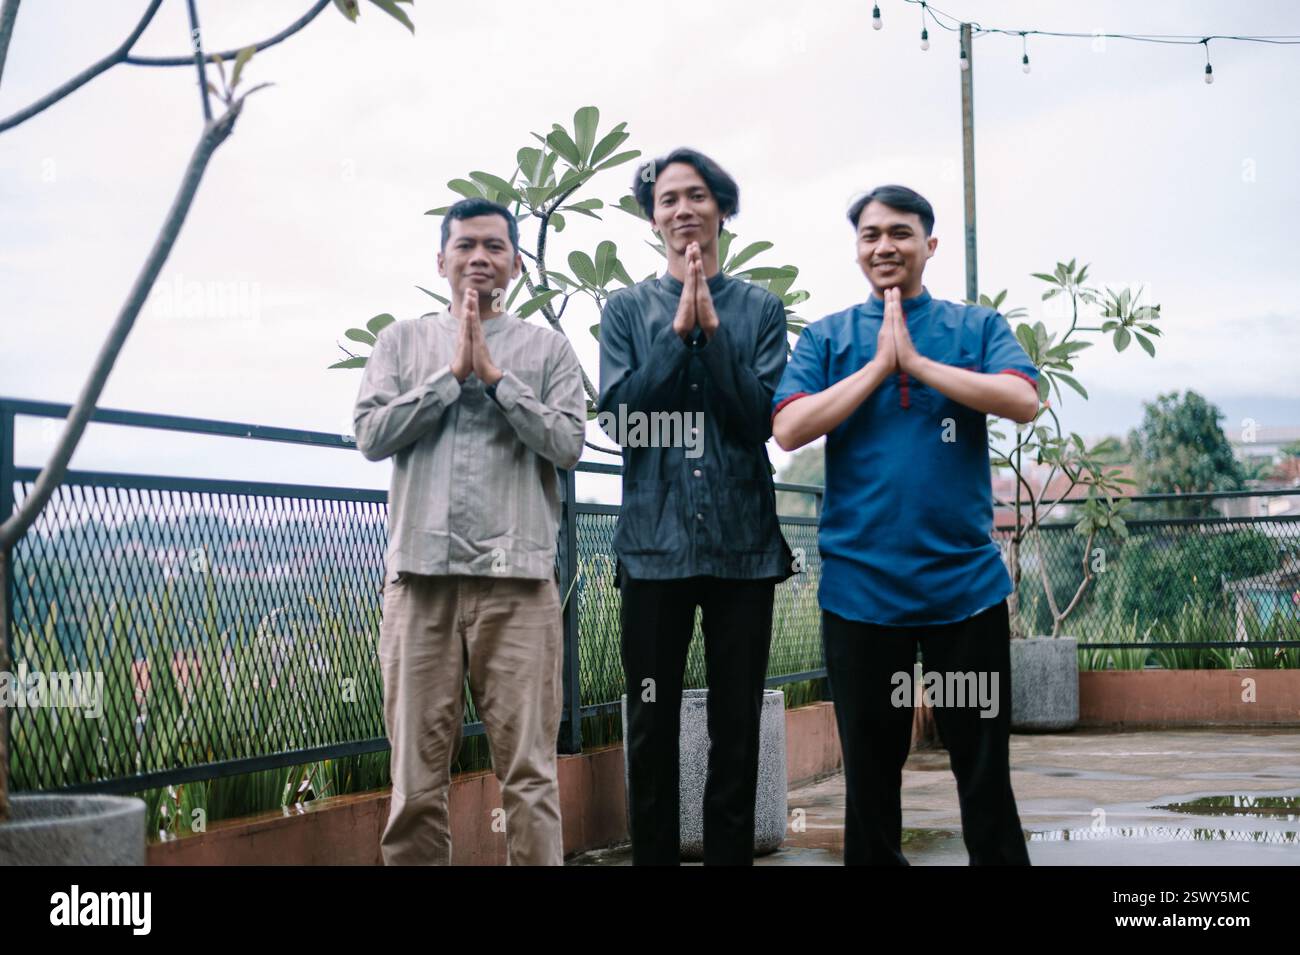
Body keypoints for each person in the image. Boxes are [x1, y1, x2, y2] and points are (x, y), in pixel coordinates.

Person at [771, 184, 1039, 865]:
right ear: (857, 248)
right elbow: (789, 427)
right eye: (870, 235)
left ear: (930, 244)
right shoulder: (829, 337)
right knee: (869, 777)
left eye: (900, 232)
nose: (884, 245)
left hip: (964, 590)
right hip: (861, 595)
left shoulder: (974, 328)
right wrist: (878, 369)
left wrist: (919, 364)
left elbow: (1023, 399)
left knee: (982, 770)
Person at [353, 196, 586, 865]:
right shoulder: (400, 342)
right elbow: (371, 433)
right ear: (441, 259)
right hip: (420, 582)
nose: (479, 258)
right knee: (415, 782)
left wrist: (497, 379)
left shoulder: (547, 349)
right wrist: (451, 376)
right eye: (465, 246)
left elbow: (569, 443)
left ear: (514, 262)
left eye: (493, 246)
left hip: (519, 586)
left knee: (531, 774)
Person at [597, 147, 795, 865]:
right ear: (653, 218)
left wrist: (710, 338)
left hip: (744, 550)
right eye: (668, 198)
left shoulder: (761, 310)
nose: (683, 208)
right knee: (650, 724)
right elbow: (620, 420)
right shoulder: (624, 310)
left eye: (697, 195)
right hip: (652, 551)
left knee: (735, 726)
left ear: (722, 209)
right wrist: (677, 336)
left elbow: (759, 420)